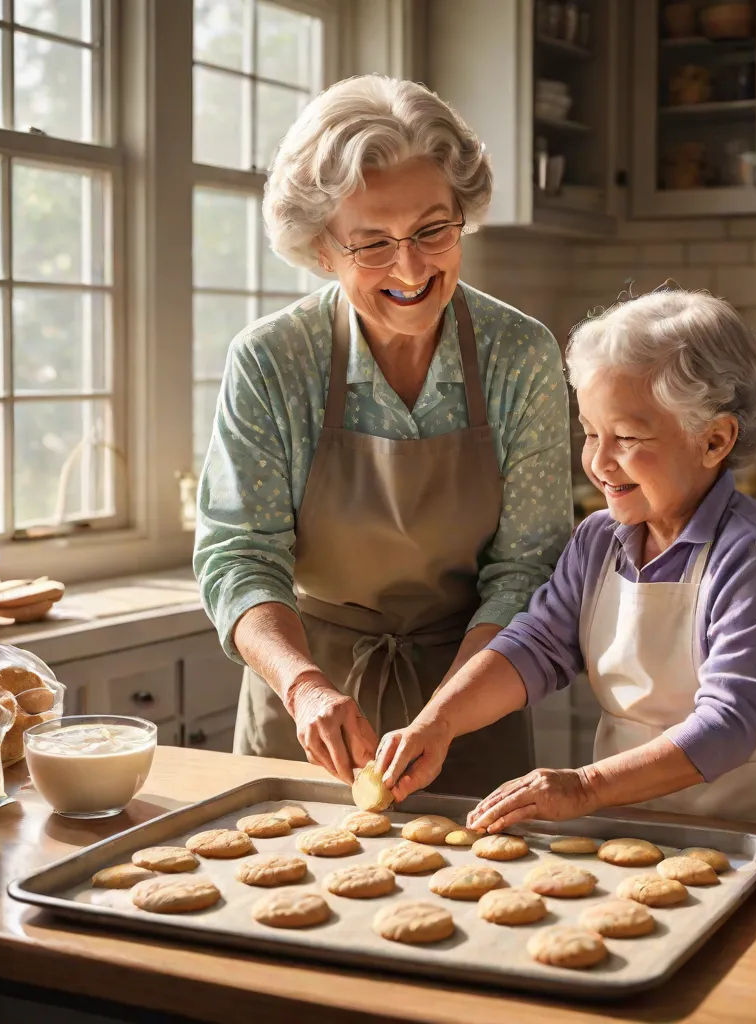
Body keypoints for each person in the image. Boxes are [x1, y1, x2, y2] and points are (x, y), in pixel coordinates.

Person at [193, 75, 573, 795]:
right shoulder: (275, 360)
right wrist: (302, 684)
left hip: (474, 697)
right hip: (306, 713)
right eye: (371, 243)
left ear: (463, 214)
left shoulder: (518, 354)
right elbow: (239, 554)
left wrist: (446, 714)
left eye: (433, 230)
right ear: (320, 248)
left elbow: (527, 569)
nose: (410, 268)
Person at [376, 285, 756, 829]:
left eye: (627, 437)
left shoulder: (750, 554)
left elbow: (730, 722)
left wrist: (585, 786)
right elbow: (536, 646)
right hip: (629, 822)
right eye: (590, 432)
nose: (598, 461)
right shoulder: (600, 540)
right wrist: (438, 722)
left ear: (714, 441)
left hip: (746, 829)